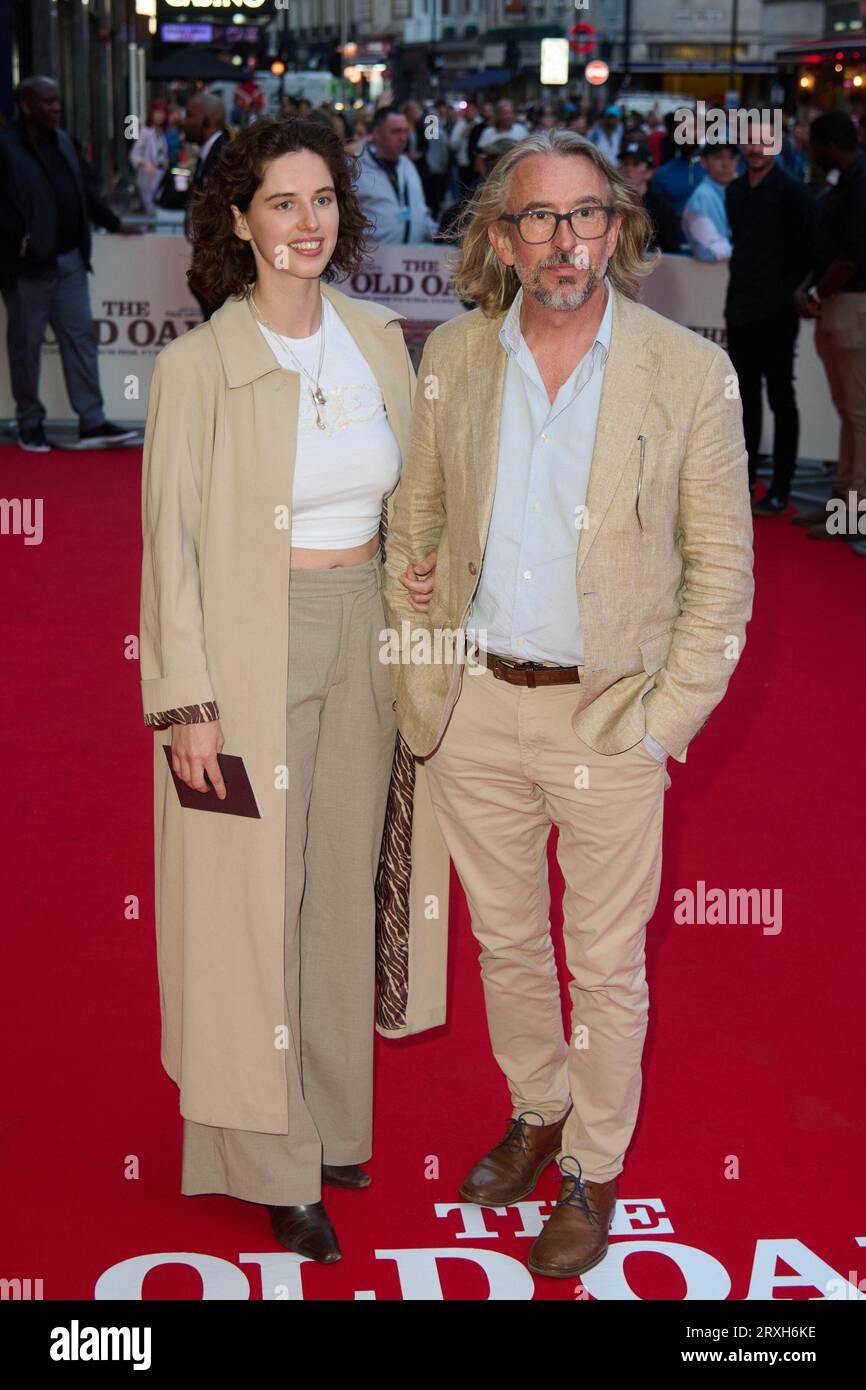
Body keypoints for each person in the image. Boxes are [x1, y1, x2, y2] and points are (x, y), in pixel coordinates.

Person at [382, 129, 754, 1280]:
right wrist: (422, 670)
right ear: (501, 236)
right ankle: (534, 1110)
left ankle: (589, 1165)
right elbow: (418, 522)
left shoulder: (686, 373)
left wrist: (657, 723)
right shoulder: (452, 357)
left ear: (617, 231)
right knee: (503, 941)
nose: (563, 240)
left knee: (603, 963)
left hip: (608, 719)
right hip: (477, 708)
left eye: (585, 216)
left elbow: (720, 572)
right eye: (536, 218)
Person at [138, 116, 447, 1266]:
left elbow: (411, 497)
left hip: (362, 627)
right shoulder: (196, 366)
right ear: (237, 218)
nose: (306, 221)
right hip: (243, 650)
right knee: (248, 907)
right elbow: (165, 551)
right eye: (281, 201)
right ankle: (266, 1154)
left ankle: (327, 1121)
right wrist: (184, 704)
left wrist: (418, 571)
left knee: (337, 892)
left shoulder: (376, 340)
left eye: (323, 198)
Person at [0, 75, 140, 452]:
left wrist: (114, 224)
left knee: (81, 342)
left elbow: (84, 193)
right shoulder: (6, 147)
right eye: (46, 102)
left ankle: (92, 422)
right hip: (27, 268)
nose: (55, 107)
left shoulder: (63, 141)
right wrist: (20, 244)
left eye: (57, 100)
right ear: (26, 105)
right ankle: (30, 424)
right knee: (26, 349)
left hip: (71, 262)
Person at [725, 128, 816, 514]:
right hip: (741, 308)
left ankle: (781, 487)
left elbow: (811, 251)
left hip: (778, 313)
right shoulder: (734, 191)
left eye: (764, 142)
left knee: (781, 397)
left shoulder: (795, 192)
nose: (756, 149)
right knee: (743, 401)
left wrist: (795, 293)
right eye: (750, 141)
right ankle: (743, 485)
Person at [793, 111, 866, 546]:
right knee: (849, 412)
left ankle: (854, 513)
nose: (810, 153)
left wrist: (817, 295)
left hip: (852, 305)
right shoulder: (849, 178)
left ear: (829, 145)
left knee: (859, 415)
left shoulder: (860, 183)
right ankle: (842, 500)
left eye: (814, 146)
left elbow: (850, 257)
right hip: (842, 304)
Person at [352, 106, 437, 244]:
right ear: (377, 133)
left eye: (405, 131)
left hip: (411, 258)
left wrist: (437, 235)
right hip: (373, 260)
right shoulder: (356, 168)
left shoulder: (407, 165)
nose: (403, 138)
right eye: (396, 132)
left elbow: (420, 208)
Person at [183, 93, 231, 320]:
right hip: (209, 271)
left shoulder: (223, 157)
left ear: (207, 119)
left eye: (190, 115)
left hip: (218, 273)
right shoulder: (209, 155)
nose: (184, 121)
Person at [618, 139, 682, 252]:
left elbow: (670, 246)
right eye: (625, 163)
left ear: (649, 172)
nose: (628, 169)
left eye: (635, 164)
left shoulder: (661, 206)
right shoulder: (611, 202)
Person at [682, 143, 738, 262]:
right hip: (712, 275)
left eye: (731, 157)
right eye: (718, 157)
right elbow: (708, 251)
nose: (726, 164)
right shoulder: (702, 197)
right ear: (704, 162)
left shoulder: (739, 190)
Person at [129, 98, 170, 215]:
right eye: (157, 112)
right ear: (151, 113)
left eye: (163, 113)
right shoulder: (146, 131)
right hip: (149, 178)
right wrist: (145, 163)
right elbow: (134, 155)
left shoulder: (161, 131)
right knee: (151, 210)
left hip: (160, 176)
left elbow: (160, 152)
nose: (160, 116)